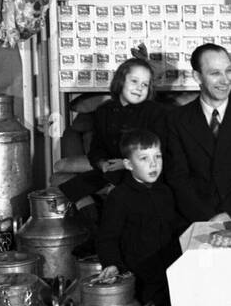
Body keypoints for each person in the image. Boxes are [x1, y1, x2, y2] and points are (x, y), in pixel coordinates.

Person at [95, 130, 183, 306]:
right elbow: (107, 238)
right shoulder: (120, 197)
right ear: (128, 164)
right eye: (144, 158)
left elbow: (175, 231)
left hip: (168, 277)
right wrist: (112, 264)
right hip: (139, 280)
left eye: (157, 157)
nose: (153, 164)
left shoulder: (166, 192)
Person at [165, 43, 231, 225]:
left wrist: (228, 214)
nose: (225, 80)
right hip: (193, 221)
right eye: (215, 73)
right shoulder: (176, 120)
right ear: (197, 77)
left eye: (228, 71)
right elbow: (178, 178)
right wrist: (208, 219)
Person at [59, 56, 167, 207]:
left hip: (139, 172)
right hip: (109, 171)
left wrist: (126, 164)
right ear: (121, 81)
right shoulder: (104, 111)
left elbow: (160, 152)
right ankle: (92, 220)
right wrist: (102, 163)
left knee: (119, 194)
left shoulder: (155, 113)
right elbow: (96, 148)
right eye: (134, 81)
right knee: (67, 189)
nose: (139, 88)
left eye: (145, 84)